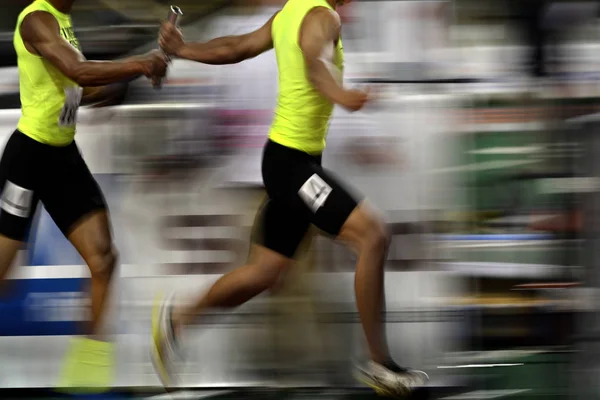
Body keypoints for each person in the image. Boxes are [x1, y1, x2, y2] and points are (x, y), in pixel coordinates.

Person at [152, 0, 428, 395]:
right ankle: (379, 365)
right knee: (373, 235)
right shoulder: (321, 16)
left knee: (265, 272)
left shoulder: (289, 13)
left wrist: (183, 49)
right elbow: (316, 65)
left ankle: (176, 320)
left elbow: (236, 48)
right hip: (293, 168)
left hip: (284, 163)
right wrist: (342, 95)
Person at [0, 0, 168, 391]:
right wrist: (139, 63)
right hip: (27, 161)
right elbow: (76, 69)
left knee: (104, 260)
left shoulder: (64, 22)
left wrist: (122, 86)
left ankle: (86, 380)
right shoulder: (37, 19)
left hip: (62, 159)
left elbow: (79, 87)